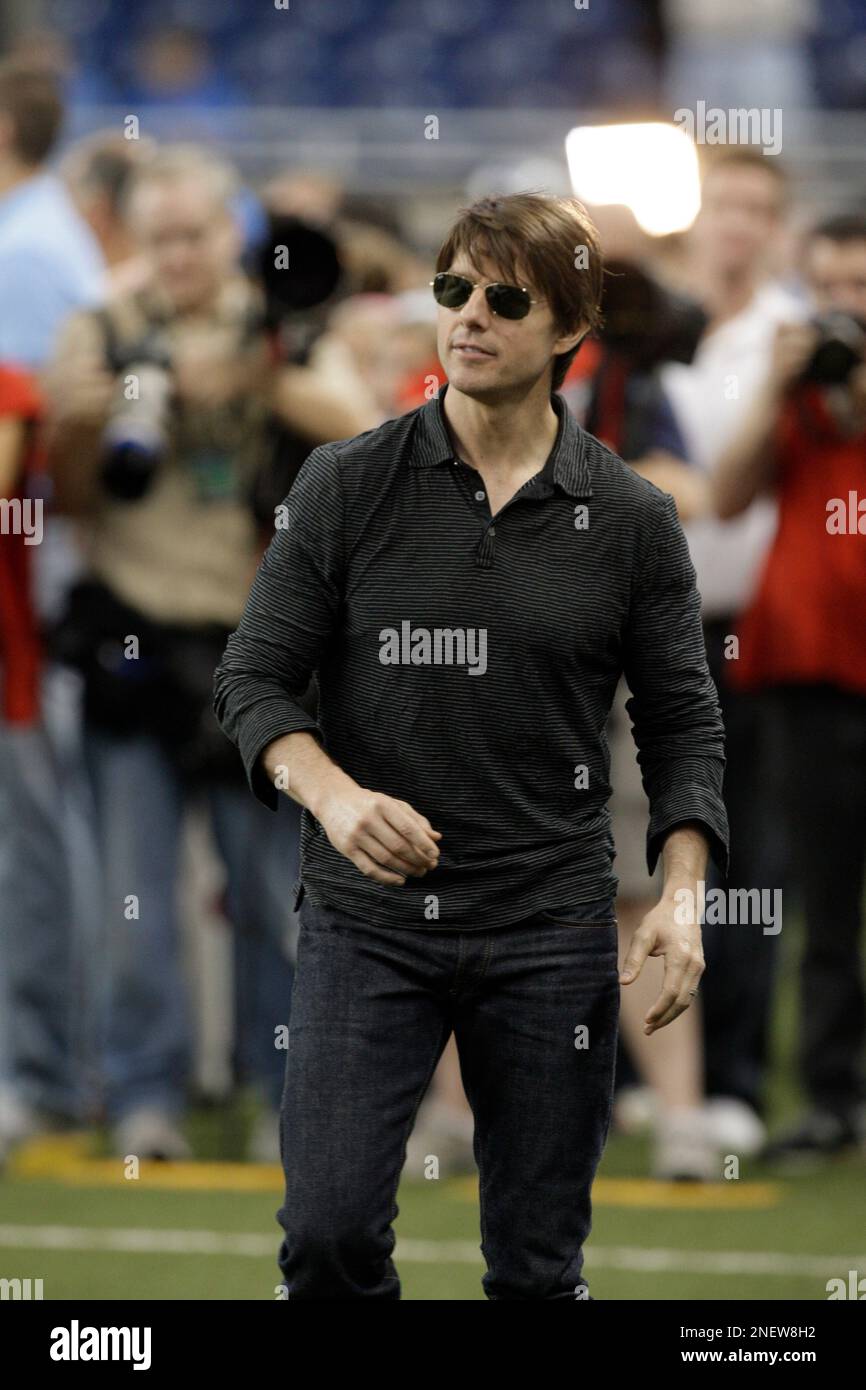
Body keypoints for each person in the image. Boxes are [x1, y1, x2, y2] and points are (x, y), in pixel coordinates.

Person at [214, 191, 729, 1300]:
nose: (468, 316)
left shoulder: (632, 517)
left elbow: (683, 725)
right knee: (328, 1233)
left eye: (505, 299)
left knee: (537, 1269)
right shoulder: (345, 480)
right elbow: (251, 680)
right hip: (368, 923)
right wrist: (334, 796)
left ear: (568, 335)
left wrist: (682, 893)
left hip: (551, 927)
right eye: (452, 290)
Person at [44, 145, 376, 1161]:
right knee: (132, 900)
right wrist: (115, 404)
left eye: (195, 235)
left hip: (259, 649)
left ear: (226, 235)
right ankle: (144, 1092)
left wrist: (249, 376)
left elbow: (360, 428)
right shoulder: (98, 331)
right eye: (161, 239)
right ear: (137, 242)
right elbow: (67, 480)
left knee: (275, 895)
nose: (179, 255)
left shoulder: (276, 321)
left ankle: (285, 1095)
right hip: (136, 638)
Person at [713, 212, 866, 1159]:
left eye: (862, 289)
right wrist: (777, 378)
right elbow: (726, 494)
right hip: (807, 675)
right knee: (819, 899)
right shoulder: (795, 395)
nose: (848, 308)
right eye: (833, 289)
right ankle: (829, 1096)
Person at [661, 148, 805, 1152]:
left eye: (758, 209)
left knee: (746, 854)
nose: (738, 226)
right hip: (648, 624)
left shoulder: (791, 336)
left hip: (748, 624)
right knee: (642, 849)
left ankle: (737, 1077)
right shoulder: (643, 326)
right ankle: (649, 1070)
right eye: (725, 206)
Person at [0, 58, 104, 1157]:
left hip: (26, 589)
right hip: (36, 578)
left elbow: (25, 445)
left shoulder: (25, 248)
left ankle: (46, 1066)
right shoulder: (36, 233)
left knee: (35, 835)